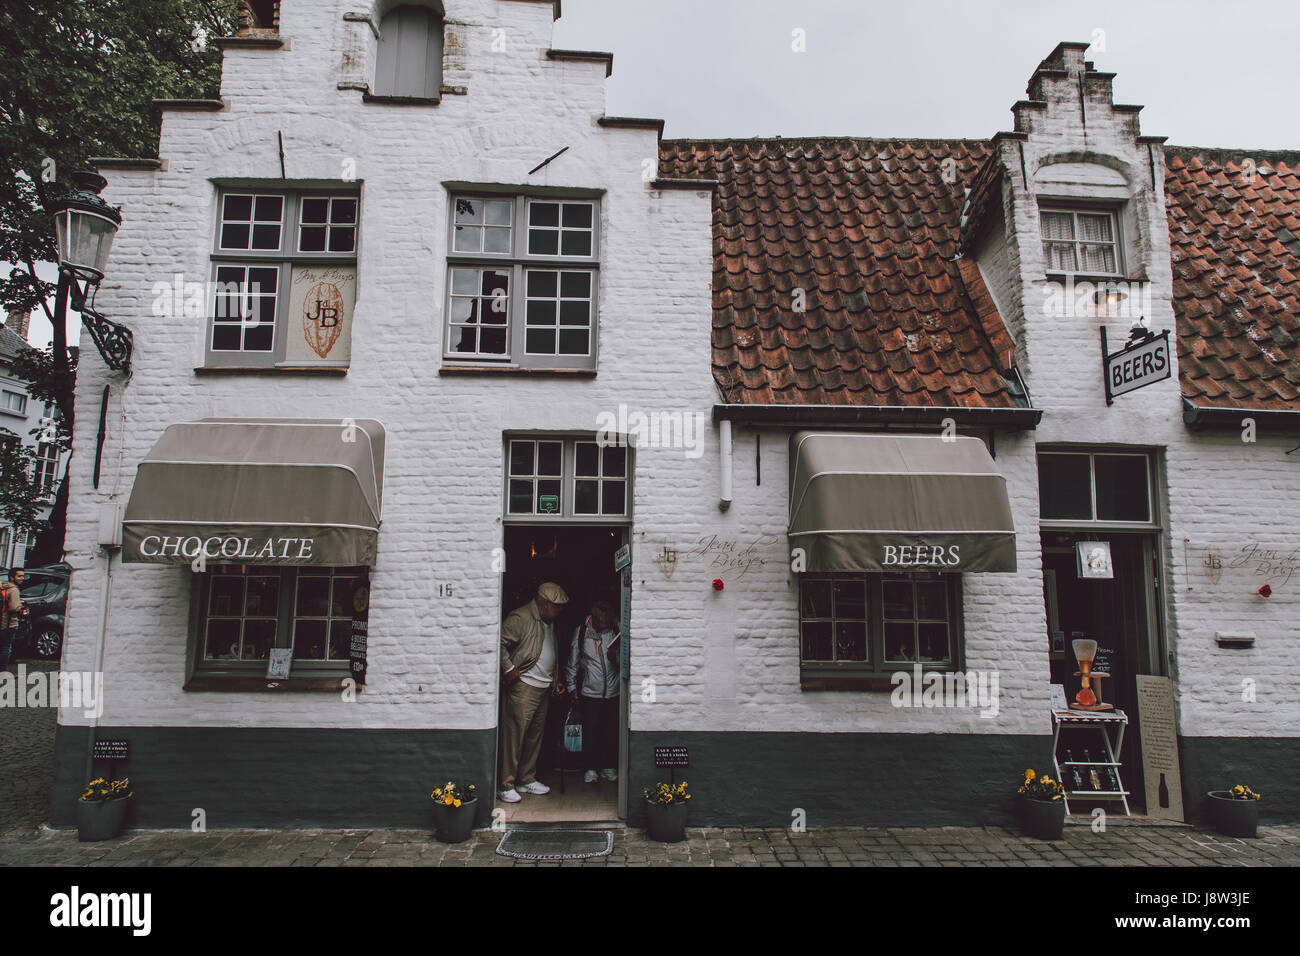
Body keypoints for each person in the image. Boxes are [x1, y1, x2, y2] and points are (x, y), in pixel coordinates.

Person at [498, 582, 569, 803]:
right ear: (544, 603)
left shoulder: (548, 622)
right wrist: (509, 669)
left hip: (543, 687)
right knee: (515, 737)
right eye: (556, 606)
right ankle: (506, 784)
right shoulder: (520, 617)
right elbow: (498, 643)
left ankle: (526, 779)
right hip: (524, 687)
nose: (559, 611)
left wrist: (555, 679)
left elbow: (549, 652)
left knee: (533, 737)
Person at [564, 598, 621, 784]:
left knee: (610, 732)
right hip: (590, 692)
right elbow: (573, 661)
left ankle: (608, 766)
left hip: (613, 691)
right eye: (602, 623)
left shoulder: (613, 631)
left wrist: (616, 657)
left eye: (607, 623)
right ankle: (590, 768)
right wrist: (571, 686)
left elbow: (627, 653)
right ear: (594, 620)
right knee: (591, 732)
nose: (604, 626)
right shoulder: (581, 633)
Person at [1, 568, 25, 669]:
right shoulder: (14, 589)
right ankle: (2, 670)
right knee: (6, 647)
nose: (22, 578)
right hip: (9, 623)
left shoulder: (3, 587)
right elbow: (14, 608)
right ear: (12, 577)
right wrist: (20, 605)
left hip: (1, 621)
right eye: (19, 576)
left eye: (23, 576)